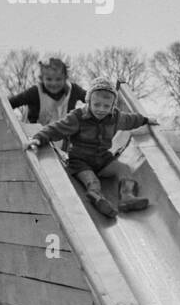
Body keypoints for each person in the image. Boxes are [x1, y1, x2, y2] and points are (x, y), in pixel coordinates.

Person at [25, 76, 158, 219]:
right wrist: (38, 138)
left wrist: (146, 120)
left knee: (124, 169)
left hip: (102, 159)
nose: (101, 109)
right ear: (88, 102)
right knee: (92, 181)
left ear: (112, 106)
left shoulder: (115, 117)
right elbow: (56, 129)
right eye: (97, 105)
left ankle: (127, 198)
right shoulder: (77, 117)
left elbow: (131, 120)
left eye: (106, 106)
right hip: (80, 161)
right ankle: (98, 199)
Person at [8, 57, 86, 129]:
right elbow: (10, 103)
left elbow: (91, 97)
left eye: (58, 79)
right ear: (42, 79)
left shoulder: (73, 90)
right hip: (33, 135)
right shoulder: (34, 93)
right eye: (49, 79)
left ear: (65, 78)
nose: (54, 83)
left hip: (62, 135)